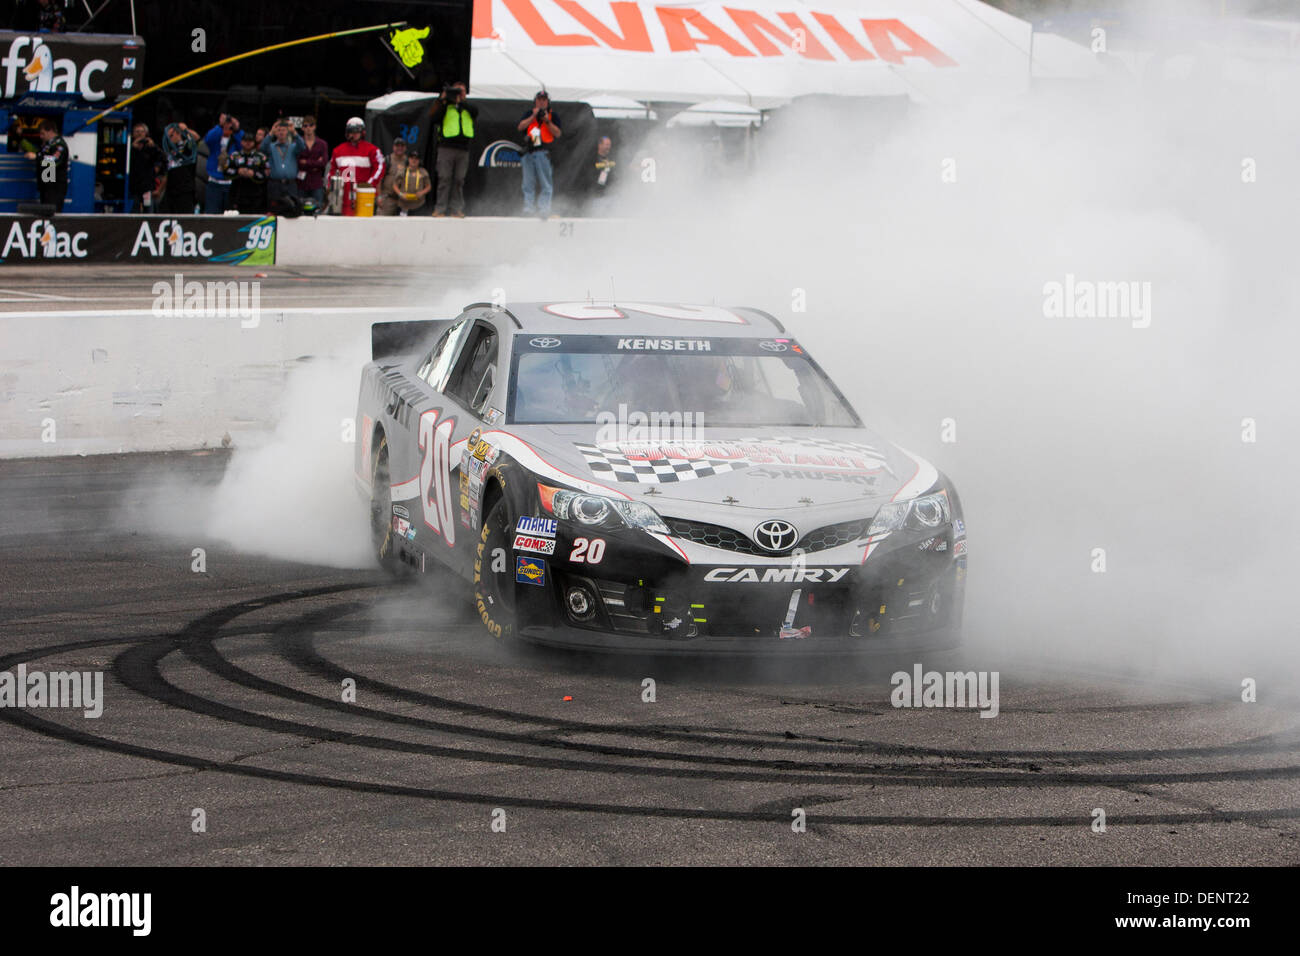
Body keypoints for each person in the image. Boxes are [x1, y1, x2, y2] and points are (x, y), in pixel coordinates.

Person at [430, 81, 477, 218]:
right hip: (446, 147)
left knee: (459, 179)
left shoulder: (469, 107)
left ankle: (456, 209)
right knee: (444, 178)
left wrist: (460, 101)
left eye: (461, 91)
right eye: (456, 91)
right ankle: (440, 209)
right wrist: (443, 99)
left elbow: (475, 112)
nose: (459, 94)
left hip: (463, 149)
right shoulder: (446, 106)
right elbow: (433, 117)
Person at [516, 91, 561, 218]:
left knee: (546, 183)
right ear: (535, 101)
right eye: (539, 99)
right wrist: (533, 116)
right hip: (529, 152)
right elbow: (520, 127)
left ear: (548, 102)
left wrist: (546, 120)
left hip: (543, 152)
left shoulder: (553, 115)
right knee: (527, 183)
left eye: (544, 100)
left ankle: (544, 209)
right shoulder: (529, 113)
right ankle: (528, 208)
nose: (542, 102)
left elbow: (557, 133)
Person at [327, 117, 384, 212]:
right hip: (342, 195)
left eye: (357, 131)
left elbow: (380, 167)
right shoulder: (337, 150)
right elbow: (331, 171)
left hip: (363, 193)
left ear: (362, 133)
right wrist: (331, 187)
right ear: (347, 133)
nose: (354, 134)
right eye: (351, 131)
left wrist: (369, 184)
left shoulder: (372, 150)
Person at [24, 119, 68, 212]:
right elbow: (40, 154)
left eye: (43, 134)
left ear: (50, 131)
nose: (41, 137)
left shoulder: (59, 145)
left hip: (55, 188)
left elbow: (55, 161)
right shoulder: (48, 145)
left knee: (52, 213)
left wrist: (36, 157)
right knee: (44, 213)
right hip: (46, 186)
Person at [260, 118, 305, 210]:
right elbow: (262, 148)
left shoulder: (292, 147)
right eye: (279, 130)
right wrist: (270, 133)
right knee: (274, 209)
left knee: (292, 209)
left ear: (287, 132)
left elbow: (302, 146)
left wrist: (294, 133)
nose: (281, 132)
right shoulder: (271, 147)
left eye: (284, 130)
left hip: (290, 184)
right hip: (275, 184)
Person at [202, 113, 242, 213]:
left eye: (229, 124)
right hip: (214, 182)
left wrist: (237, 129)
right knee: (211, 213)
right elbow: (208, 139)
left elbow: (244, 145)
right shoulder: (215, 139)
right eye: (226, 124)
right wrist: (220, 125)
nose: (227, 126)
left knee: (230, 214)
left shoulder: (235, 140)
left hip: (230, 183)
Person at [160, 121, 200, 214]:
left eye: (171, 136)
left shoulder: (187, 145)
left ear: (178, 134)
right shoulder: (169, 150)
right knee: (164, 211)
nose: (169, 139)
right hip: (171, 189)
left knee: (185, 216)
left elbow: (197, 138)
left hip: (185, 189)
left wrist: (185, 129)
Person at [227, 132, 269, 213]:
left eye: (250, 141)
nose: (248, 143)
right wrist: (237, 171)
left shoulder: (261, 157)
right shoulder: (234, 156)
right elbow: (226, 171)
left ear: (254, 143)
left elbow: (266, 173)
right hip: (238, 195)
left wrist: (254, 174)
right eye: (246, 141)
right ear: (241, 142)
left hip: (256, 196)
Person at [128, 123, 164, 212]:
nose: (140, 134)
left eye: (142, 131)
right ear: (133, 134)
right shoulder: (130, 147)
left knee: (148, 209)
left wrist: (153, 146)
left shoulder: (150, 147)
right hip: (134, 187)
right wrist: (133, 147)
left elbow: (161, 159)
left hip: (147, 186)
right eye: (137, 131)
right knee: (134, 209)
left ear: (146, 133)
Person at [296, 115, 328, 208]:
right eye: (305, 126)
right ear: (302, 128)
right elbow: (297, 162)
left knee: (318, 209)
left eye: (311, 125)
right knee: (299, 209)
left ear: (315, 126)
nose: (308, 128)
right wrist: (315, 163)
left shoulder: (322, 144)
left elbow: (323, 163)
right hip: (301, 183)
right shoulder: (298, 143)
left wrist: (306, 162)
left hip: (316, 182)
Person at [586, 135, 616, 214]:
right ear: (600, 145)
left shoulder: (612, 158)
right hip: (598, 198)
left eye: (609, 145)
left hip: (611, 197)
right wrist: (604, 171)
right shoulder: (592, 158)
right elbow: (591, 178)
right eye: (606, 145)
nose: (608, 147)